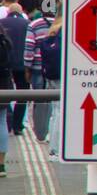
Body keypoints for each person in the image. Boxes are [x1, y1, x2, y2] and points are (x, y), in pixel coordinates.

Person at [20, 0, 49, 141]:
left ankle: (40, 132)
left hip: (38, 68)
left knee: (38, 99)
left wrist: (27, 68)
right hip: (56, 70)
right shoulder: (65, 24)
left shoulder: (34, 24)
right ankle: (49, 127)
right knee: (53, 100)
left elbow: (29, 48)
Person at [0, 0, 29, 136]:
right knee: (22, 93)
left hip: (6, 65)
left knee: (5, 94)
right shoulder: (27, 24)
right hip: (23, 65)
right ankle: (18, 125)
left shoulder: (2, 22)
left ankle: (8, 121)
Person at [38, 12, 64, 159]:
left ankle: (53, 148)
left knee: (55, 113)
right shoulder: (66, 34)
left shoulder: (51, 34)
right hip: (62, 77)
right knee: (61, 113)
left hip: (51, 77)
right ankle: (57, 150)